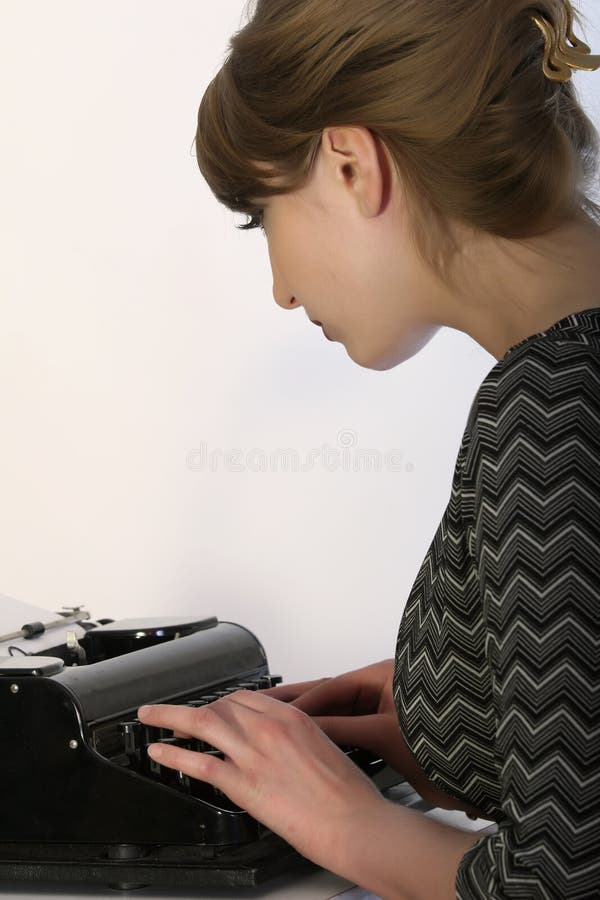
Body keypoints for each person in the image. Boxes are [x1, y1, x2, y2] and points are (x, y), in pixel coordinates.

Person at [137, 1, 600, 896]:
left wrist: (341, 824)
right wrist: (459, 723)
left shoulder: (551, 407)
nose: (279, 288)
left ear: (351, 165)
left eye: (261, 215)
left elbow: (567, 880)